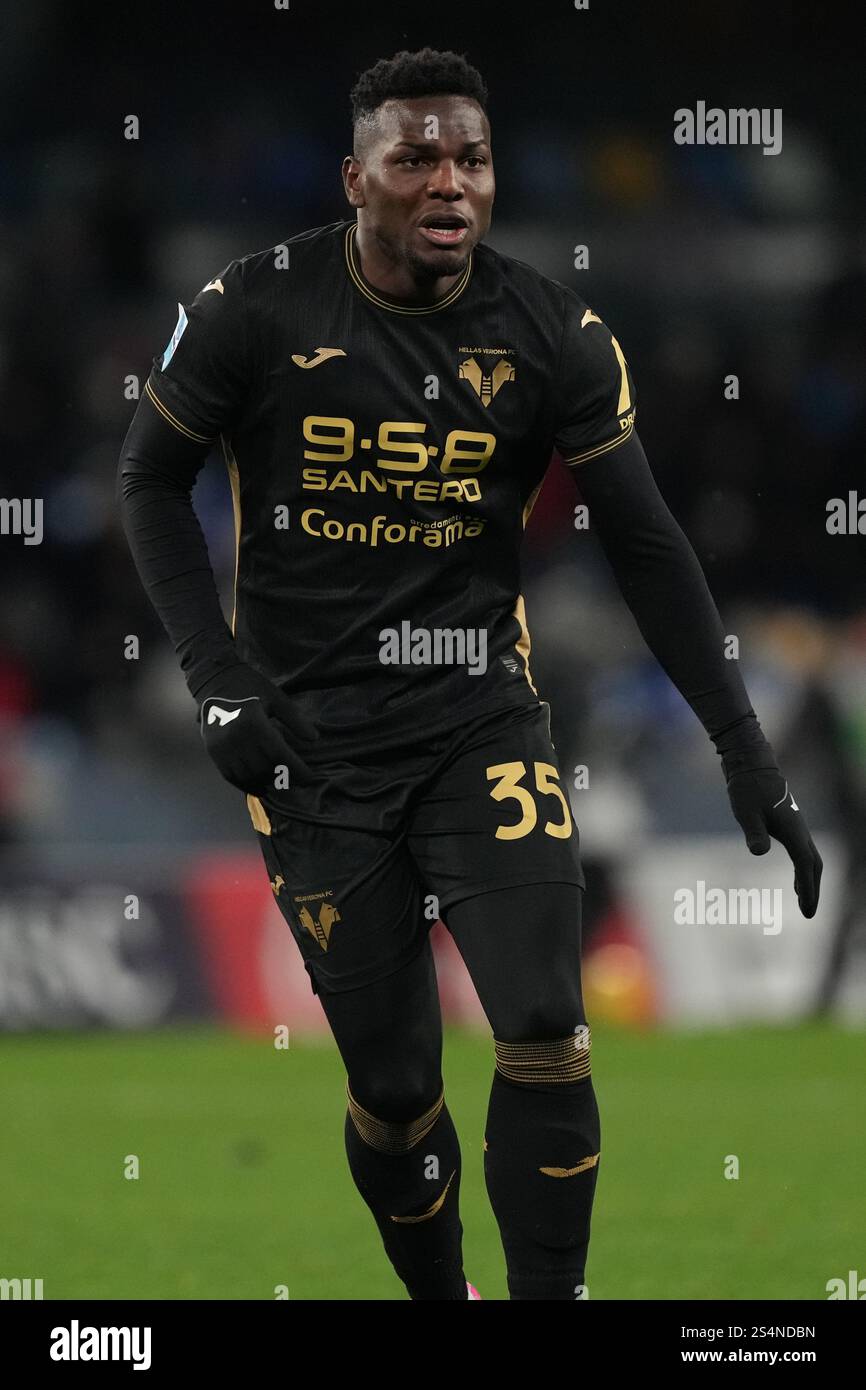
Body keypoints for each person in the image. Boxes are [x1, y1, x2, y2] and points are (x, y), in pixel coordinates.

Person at [118, 47, 822, 1301]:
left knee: (546, 1022)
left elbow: (651, 548)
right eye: (417, 157)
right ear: (358, 179)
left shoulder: (551, 332)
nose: (450, 180)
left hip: (477, 718)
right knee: (393, 1089)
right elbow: (147, 480)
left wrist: (741, 745)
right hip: (309, 743)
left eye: (472, 158)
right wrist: (215, 678)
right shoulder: (253, 308)